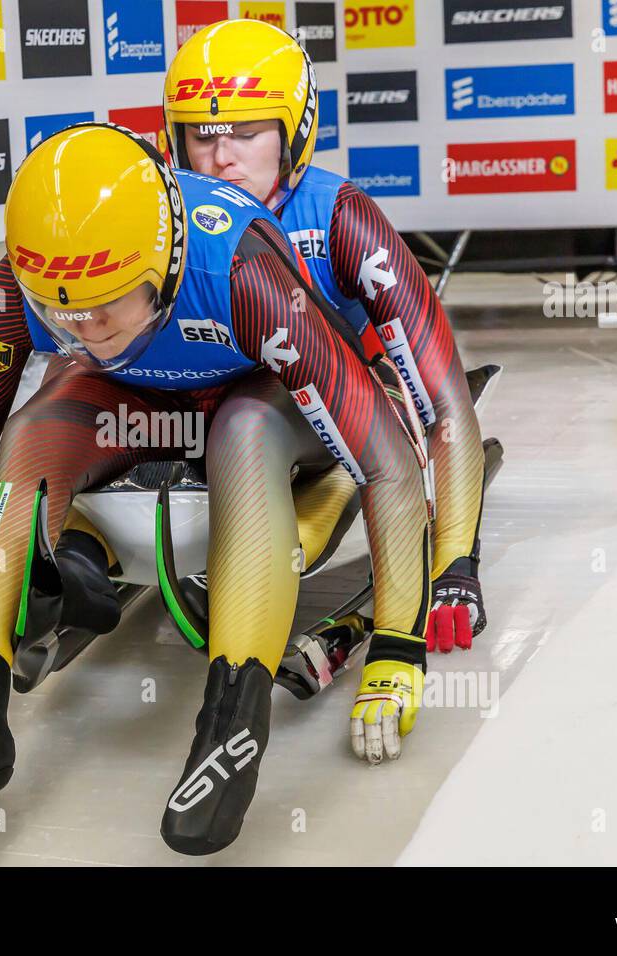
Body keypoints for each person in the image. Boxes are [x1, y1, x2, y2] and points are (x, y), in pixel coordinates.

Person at [0, 123, 432, 854]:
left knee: (242, 431)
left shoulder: (239, 272)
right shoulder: (26, 285)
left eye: (105, 305)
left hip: (263, 391)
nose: (84, 325)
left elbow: (388, 461)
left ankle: (232, 722)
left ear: (167, 262)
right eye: (63, 311)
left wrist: (399, 650)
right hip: (138, 397)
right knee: (26, 436)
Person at [165, 18, 489, 656]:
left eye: (248, 132)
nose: (221, 156)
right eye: (201, 136)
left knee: (258, 419)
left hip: (333, 416)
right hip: (197, 414)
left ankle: (328, 500)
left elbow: (440, 395)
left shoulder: (337, 213)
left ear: (292, 135)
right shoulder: (156, 214)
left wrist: (455, 565)